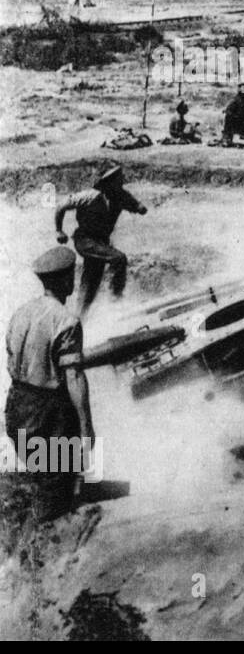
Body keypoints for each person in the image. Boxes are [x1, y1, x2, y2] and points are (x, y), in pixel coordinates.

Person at [5, 247, 93, 522]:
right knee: (57, 493)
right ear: (66, 280)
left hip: (17, 406)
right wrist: (86, 426)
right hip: (47, 415)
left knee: (41, 475)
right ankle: (51, 544)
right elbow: (74, 377)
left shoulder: (21, 313)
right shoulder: (66, 321)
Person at [55, 165, 148, 313]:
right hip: (85, 241)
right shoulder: (89, 196)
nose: (121, 182)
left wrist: (139, 207)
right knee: (119, 258)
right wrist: (59, 231)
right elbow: (61, 206)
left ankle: (80, 318)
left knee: (90, 286)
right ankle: (115, 300)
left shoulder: (120, 195)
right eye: (118, 180)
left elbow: (135, 204)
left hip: (101, 243)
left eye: (121, 178)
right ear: (108, 182)